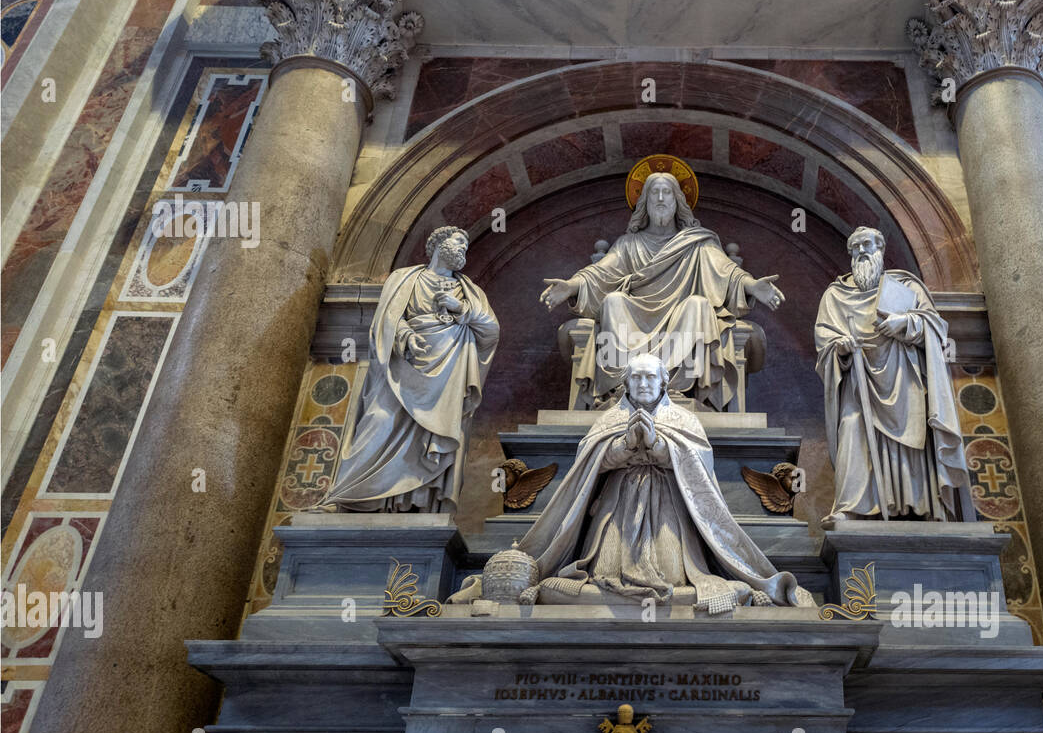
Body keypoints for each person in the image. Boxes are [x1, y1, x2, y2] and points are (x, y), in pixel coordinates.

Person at [454, 353, 812, 612]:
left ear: (663, 382)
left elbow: (700, 466)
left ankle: (710, 590)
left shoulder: (683, 420)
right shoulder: (610, 419)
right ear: (626, 383)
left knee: (672, 575)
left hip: (670, 510)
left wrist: (659, 447)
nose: (643, 383)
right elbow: (589, 464)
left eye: (649, 377)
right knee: (607, 570)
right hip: (617, 507)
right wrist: (623, 446)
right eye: (636, 377)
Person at [540, 171, 782, 411]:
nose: (660, 198)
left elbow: (727, 271)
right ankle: (626, 385)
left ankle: (675, 386)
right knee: (613, 301)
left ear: (677, 201)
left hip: (681, 317)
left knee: (698, 304)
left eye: (667, 192)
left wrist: (753, 286)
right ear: (645, 201)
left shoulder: (696, 243)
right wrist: (571, 287)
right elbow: (600, 274)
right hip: (635, 316)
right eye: (654, 192)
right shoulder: (629, 243)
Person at [322, 226, 498, 513]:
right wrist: (405, 337)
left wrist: (461, 310)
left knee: (433, 439)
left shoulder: (470, 292)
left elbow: (491, 331)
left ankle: (417, 503)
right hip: (400, 369)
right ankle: (353, 496)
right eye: (459, 244)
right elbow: (385, 320)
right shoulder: (403, 279)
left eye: (466, 248)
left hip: (446, 380)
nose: (464, 252)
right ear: (439, 244)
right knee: (379, 421)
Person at [815, 226, 967, 524]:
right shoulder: (835, 296)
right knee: (852, 431)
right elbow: (824, 340)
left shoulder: (906, 287)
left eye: (867, 244)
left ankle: (920, 506)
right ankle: (853, 506)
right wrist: (841, 348)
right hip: (858, 383)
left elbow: (936, 329)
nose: (861, 251)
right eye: (855, 247)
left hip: (904, 376)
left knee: (911, 437)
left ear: (880, 248)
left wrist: (905, 323)